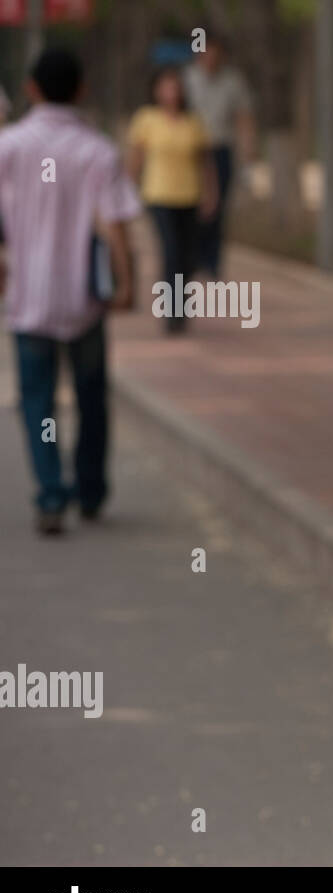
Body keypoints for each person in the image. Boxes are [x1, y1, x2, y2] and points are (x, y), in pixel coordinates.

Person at [0, 49, 141, 534]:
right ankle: (91, 490)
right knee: (90, 397)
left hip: (27, 299)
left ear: (30, 88)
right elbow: (116, 227)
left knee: (37, 400)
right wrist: (127, 284)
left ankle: (50, 494)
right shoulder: (98, 150)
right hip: (85, 300)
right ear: (81, 90)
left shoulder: (8, 146)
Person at [126, 65, 218, 334]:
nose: (171, 93)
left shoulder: (193, 122)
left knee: (188, 258)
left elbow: (206, 163)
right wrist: (127, 192)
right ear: (156, 90)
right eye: (166, 87)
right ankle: (171, 311)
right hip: (159, 196)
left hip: (189, 196)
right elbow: (135, 160)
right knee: (170, 252)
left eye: (175, 87)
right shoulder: (146, 119)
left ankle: (182, 304)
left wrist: (211, 194)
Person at [183, 29, 256, 278]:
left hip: (220, 150)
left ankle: (211, 262)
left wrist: (248, 157)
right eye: (206, 52)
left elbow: (244, 119)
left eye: (216, 52)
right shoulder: (186, 79)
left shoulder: (233, 81)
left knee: (217, 209)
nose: (211, 57)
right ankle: (191, 258)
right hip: (190, 153)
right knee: (190, 206)